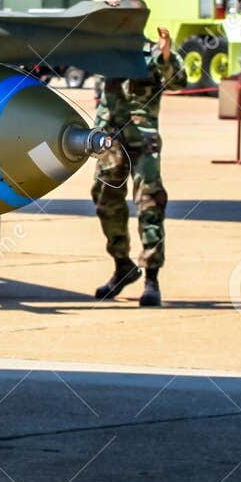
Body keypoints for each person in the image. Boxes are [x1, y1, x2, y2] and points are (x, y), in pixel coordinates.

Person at [91, 22, 186, 308]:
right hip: (111, 141)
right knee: (105, 200)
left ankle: (152, 279)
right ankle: (122, 266)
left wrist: (166, 54)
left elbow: (179, 81)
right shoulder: (108, 53)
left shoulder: (154, 53)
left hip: (143, 142)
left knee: (149, 204)